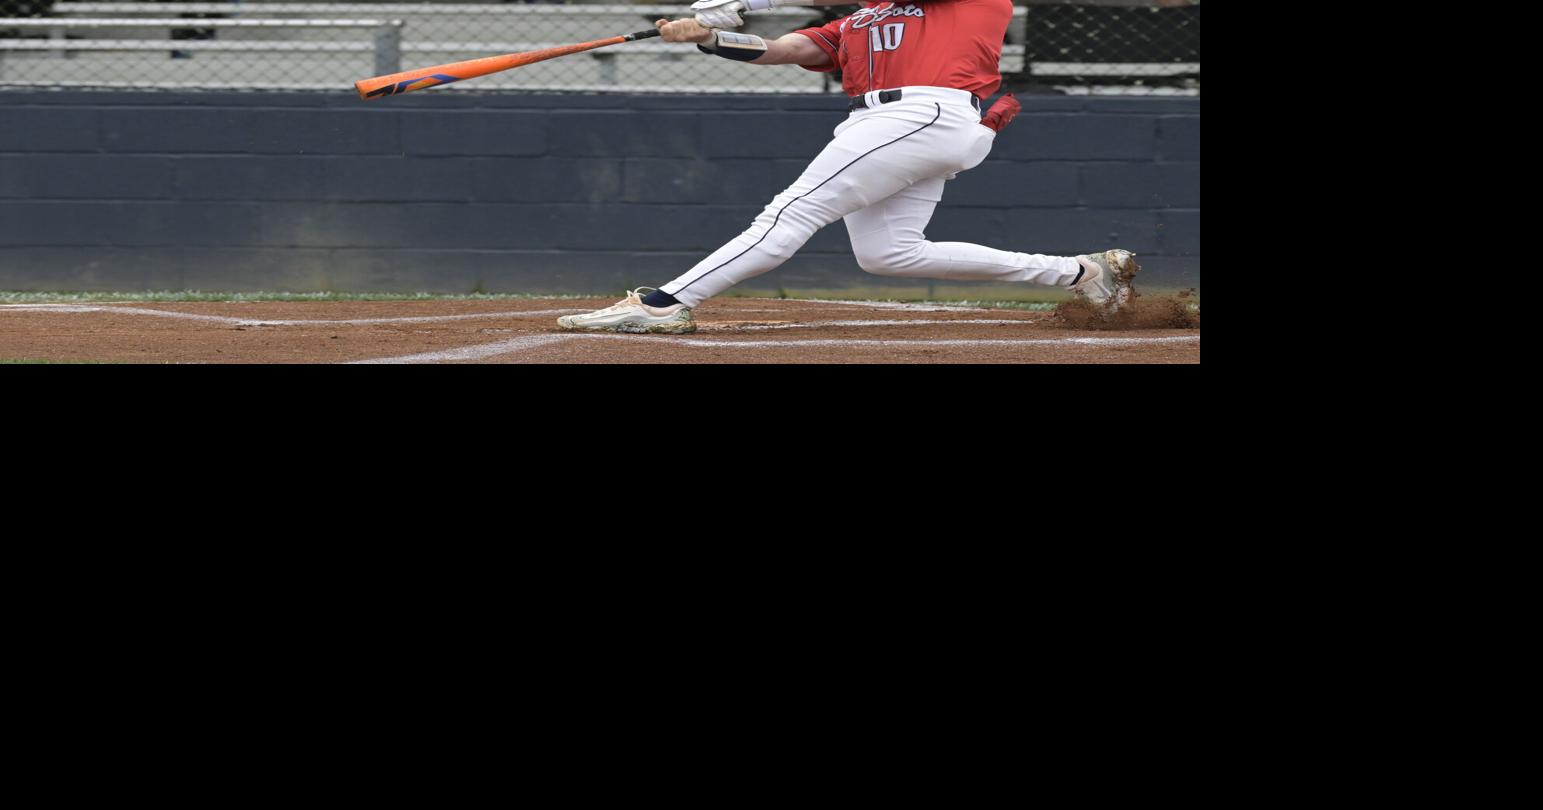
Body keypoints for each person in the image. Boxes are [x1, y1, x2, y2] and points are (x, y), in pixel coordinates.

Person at [558, 0, 1138, 334]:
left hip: (922, 112)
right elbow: (782, 50)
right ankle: (1081, 273)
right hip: (891, 124)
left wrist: (750, 1)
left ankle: (665, 304)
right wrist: (708, 35)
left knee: (789, 213)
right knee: (889, 253)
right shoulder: (856, 20)